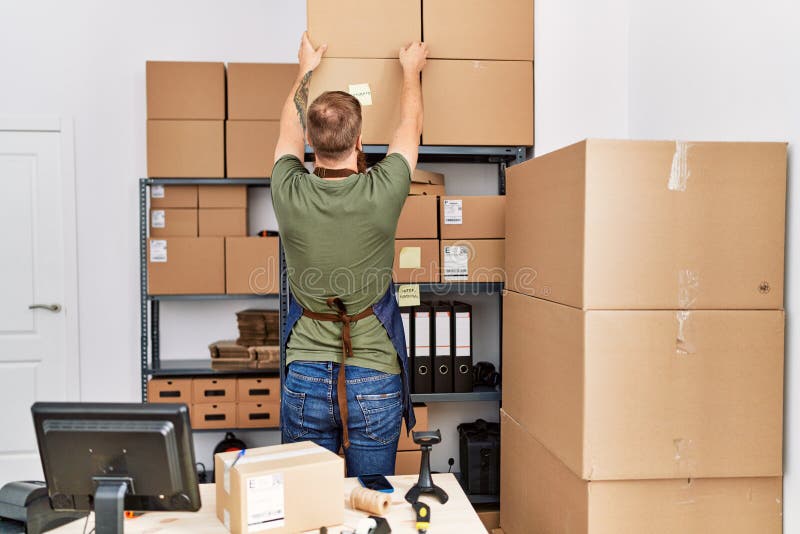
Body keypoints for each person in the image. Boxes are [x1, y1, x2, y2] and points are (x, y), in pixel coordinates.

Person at [271, 32, 428, 477]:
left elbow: (287, 130)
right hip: (373, 374)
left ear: (310, 140)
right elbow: (410, 127)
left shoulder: (287, 189)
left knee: (307, 503)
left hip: (305, 374)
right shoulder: (384, 189)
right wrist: (410, 72)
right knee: (371, 501)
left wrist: (305, 68)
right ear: (359, 141)